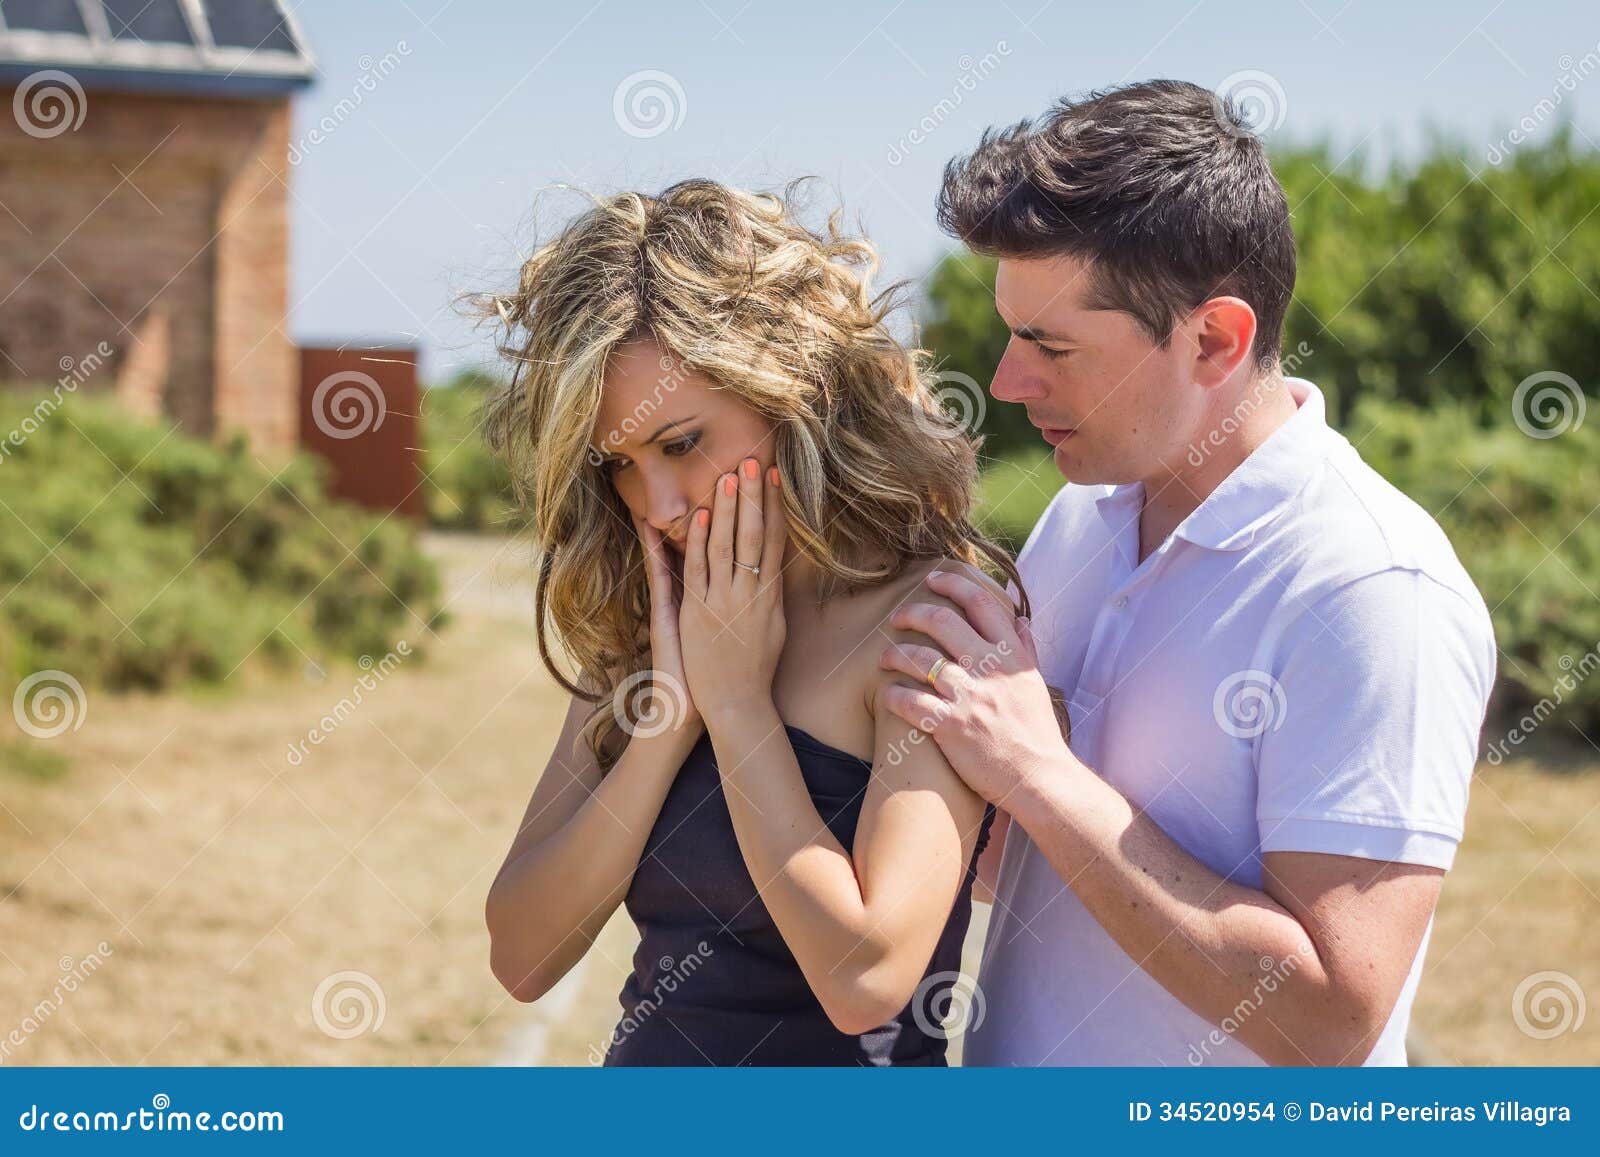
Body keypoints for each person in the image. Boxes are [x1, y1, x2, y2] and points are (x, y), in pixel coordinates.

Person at [877, 79, 1497, 1066]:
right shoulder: (1083, 510)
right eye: (1009, 334)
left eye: (1050, 346)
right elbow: (1040, 869)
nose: (1005, 381)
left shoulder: (1372, 589)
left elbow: (1332, 1019)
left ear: (1214, 338)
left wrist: (1038, 774)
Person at [480, 179, 1023, 1065]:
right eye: (615, 462)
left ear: (793, 395)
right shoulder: (647, 616)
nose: (653, 504)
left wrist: (738, 708)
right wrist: (672, 716)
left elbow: (867, 976)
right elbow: (522, 953)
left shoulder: (928, 623)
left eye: (682, 443)